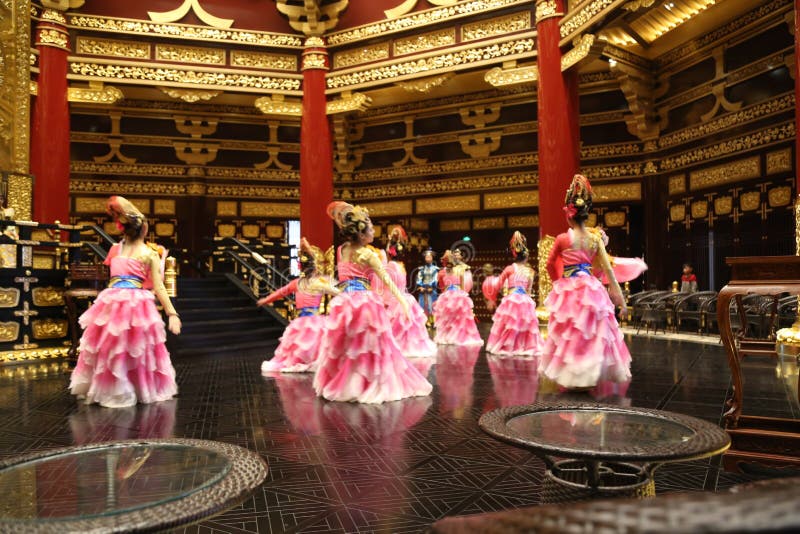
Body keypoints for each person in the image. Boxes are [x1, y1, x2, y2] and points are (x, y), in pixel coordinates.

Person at [313, 201, 432, 403]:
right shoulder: (368, 254)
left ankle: (349, 382)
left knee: (349, 344)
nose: (372, 231)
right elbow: (386, 281)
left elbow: (345, 278)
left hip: (345, 302)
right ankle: (364, 382)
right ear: (361, 232)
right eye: (369, 228)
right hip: (364, 304)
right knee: (366, 344)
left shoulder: (342, 250)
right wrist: (402, 302)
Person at [70, 196, 181, 408]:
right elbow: (159, 287)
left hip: (116, 300)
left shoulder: (124, 250)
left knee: (119, 347)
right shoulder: (145, 253)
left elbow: (156, 286)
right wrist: (172, 313)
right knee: (124, 347)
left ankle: (121, 387)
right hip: (129, 301)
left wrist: (172, 313)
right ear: (143, 229)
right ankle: (125, 387)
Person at [539, 174, 631, 389]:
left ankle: (573, 375)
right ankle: (589, 374)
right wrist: (622, 301)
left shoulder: (563, 239)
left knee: (571, 332)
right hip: (591, 288)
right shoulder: (595, 238)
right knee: (592, 332)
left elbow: (550, 264)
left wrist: (558, 282)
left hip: (570, 287)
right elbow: (608, 270)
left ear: (570, 216)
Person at [258, 238, 339, 373]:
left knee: (301, 345)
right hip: (314, 320)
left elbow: (280, 293)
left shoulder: (297, 283)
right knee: (313, 345)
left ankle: (303, 361)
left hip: (301, 321)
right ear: (314, 268)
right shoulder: (319, 281)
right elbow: (338, 291)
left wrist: (265, 300)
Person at [485, 232, 543, 356]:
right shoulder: (530, 271)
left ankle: (509, 345)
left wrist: (492, 298)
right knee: (524, 325)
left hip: (511, 300)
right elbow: (529, 290)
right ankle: (523, 345)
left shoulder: (509, 269)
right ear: (526, 256)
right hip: (525, 300)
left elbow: (498, 284)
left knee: (510, 325)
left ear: (514, 255)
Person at [384, 226, 437, 358]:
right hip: (404, 296)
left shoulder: (391, 266)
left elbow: (390, 286)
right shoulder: (401, 266)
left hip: (395, 297)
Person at [432, 248, 483, 346]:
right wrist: (444, 296)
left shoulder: (460, 271)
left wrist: (463, 296)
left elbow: (462, 286)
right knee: (448, 317)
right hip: (448, 295)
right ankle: (448, 334)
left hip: (458, 294)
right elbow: (444, 286)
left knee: (459, 316)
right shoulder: (443, 272)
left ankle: (459, 335)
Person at [415, 248, 439, 326]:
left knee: (431, 305)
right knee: (423, 304)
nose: (428, 258)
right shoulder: (422, 269)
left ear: (432, 258)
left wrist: (431, 286)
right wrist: (420, 286)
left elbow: (435, 278)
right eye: (426, 257)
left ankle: (433, 320)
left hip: (431, 289)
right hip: (423, 288)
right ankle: (425, 320)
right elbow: (419, 278)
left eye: (429, 257)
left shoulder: (435, 269)